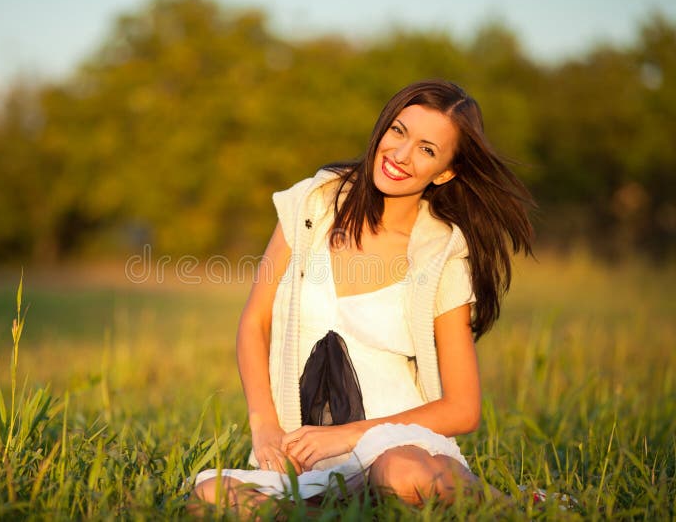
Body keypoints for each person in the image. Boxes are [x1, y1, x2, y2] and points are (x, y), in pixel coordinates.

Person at [189, 79, 534, 515]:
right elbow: (255, 321)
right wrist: (265, 428)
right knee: (209, 499)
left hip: (400, 450)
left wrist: (350, 435)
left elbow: (463, 409)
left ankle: (515, 506)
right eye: (398, 131)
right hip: (308, 457)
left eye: (427, 150)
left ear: (445, 172)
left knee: (397, 474)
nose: (402, 155)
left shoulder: (441, 252)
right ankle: (344, 507)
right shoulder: (312, 205)